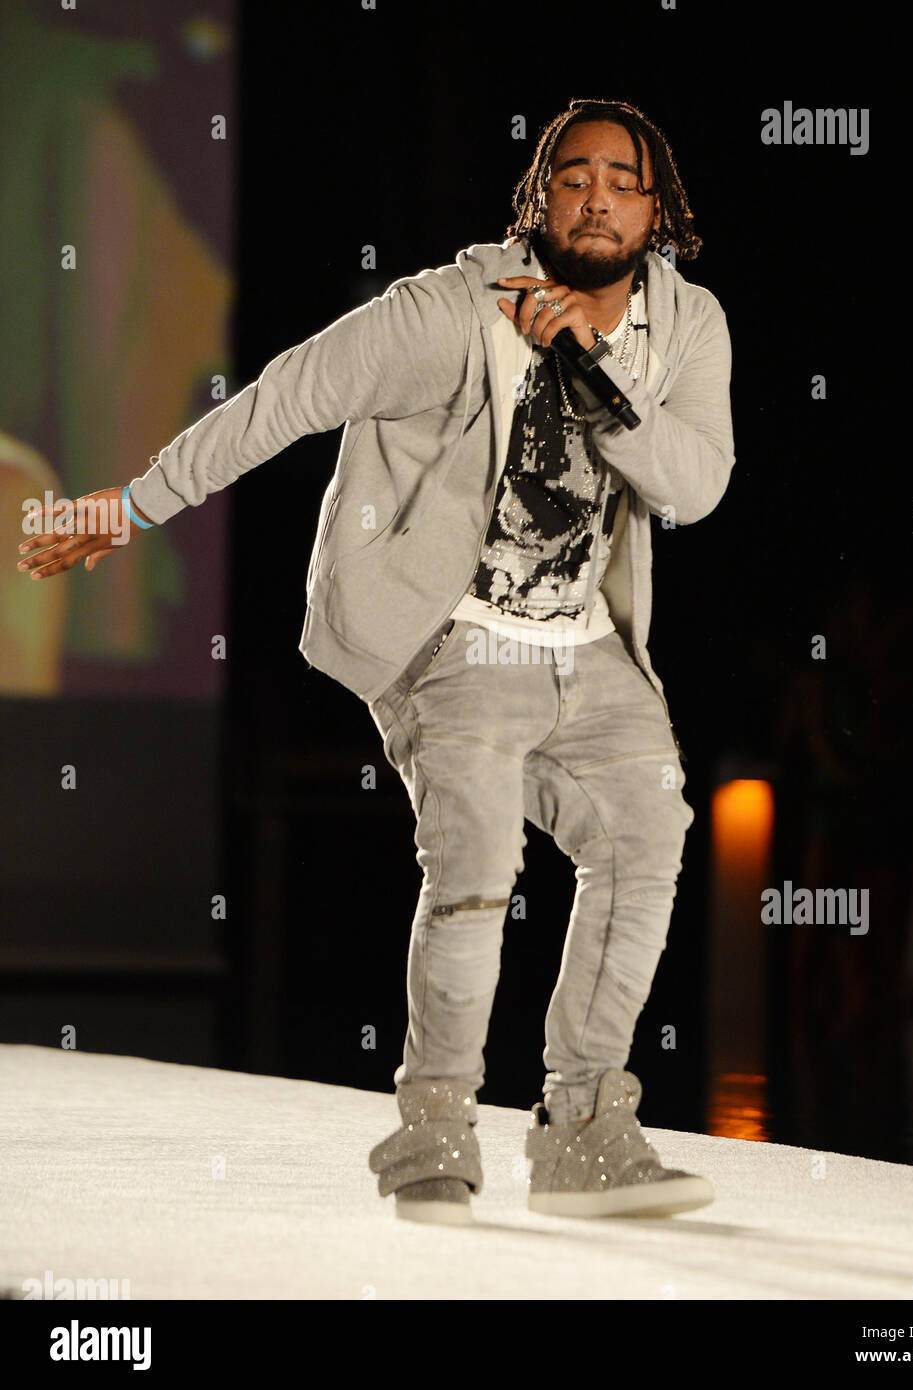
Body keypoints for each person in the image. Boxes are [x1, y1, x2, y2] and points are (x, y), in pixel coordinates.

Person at [16, 98, 735, 1225]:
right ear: (539, 195)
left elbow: (692, 487)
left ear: (658, 210)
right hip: (454, 640)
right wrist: (130, 504)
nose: (594, 196)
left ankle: (583, 1130)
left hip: (588, 650)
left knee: (649, 836)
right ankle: (432, 1135)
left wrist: (584, 362)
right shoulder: (447, 314)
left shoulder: (684, 327)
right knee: (475, 868)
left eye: (621, 180)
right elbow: (285, 396)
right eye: (571, 175)